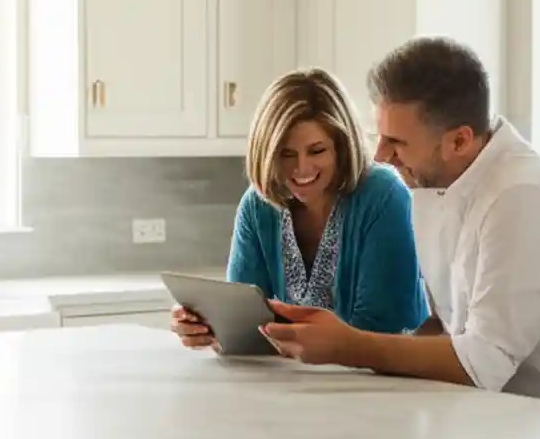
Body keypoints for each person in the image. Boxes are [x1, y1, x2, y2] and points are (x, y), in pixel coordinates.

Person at [259, 37, 540, 414]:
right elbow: (447, 325)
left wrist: (348, 346)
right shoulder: (433, 181)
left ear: (459, 141)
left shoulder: (521, 196)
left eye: (397, 142)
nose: (381, 156)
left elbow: (482, 362)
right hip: (523, 419)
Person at [171, 68, 429, 346]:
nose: (301, 168)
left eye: (317, 151)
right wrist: (210, 327)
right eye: (286, 154)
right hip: (295, 384)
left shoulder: (383, 195)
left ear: (341, 147)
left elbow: (384, 328)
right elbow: (244, 324)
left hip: (391, 385)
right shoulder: (258, 205)